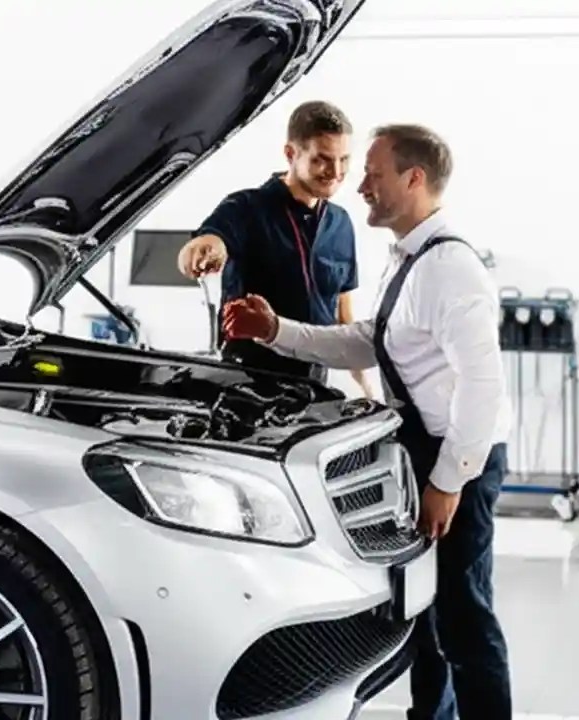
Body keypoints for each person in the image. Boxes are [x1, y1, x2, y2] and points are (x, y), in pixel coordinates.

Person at [220, 123, 513, 720]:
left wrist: (447, 481)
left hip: (456, 459)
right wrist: (275, 331)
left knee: (464, 617)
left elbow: (483, 388)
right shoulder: (411, 259)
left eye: (373, 175)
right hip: (425, 452)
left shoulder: (450, 268)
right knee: (426, 611)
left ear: (414, 178)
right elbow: (369, 341)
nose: (360, 188)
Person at [177, 100, 373, 397]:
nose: (336, 171)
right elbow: (206, 243)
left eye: (344, 159)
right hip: (249, 387)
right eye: (322, 159)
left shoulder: (341, 222)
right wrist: (201, 252)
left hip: (315, 387)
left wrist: (365, 386)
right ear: (291, 154)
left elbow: (343, 315)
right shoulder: (245, 207)